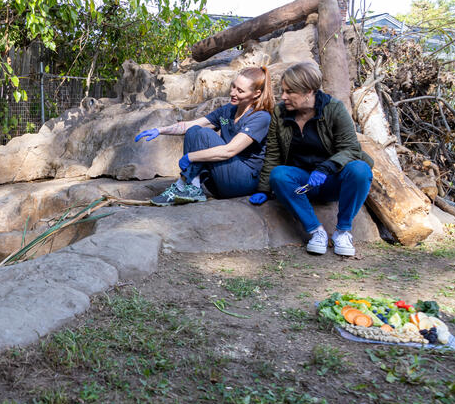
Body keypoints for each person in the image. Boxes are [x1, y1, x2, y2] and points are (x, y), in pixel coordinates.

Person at [248, 61, 373, 257]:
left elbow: (351, 149)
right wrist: (264, 188)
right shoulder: (280, 113)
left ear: (309, 92)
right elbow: (273, 153)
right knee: (279, 174)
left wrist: (326, 168)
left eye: (290, 92)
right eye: (283, 91)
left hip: (331, 179)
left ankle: (342, 232)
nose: (283, 97)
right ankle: (316, 231)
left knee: (360, 170)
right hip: (303, 182)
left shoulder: (334, 109)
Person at [135, 67, 274, 205]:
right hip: (220, 179)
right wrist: (160, 130)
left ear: (256, 94)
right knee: (194, 131)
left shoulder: (261, 117)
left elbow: (229, 150)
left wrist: (190, 157)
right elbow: (190, 125)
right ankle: (192, 186)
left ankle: (183, 185)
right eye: (233, 86)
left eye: (240, 91)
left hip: (243, 181)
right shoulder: (228, 110)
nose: (232, 93)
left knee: (205, 134)